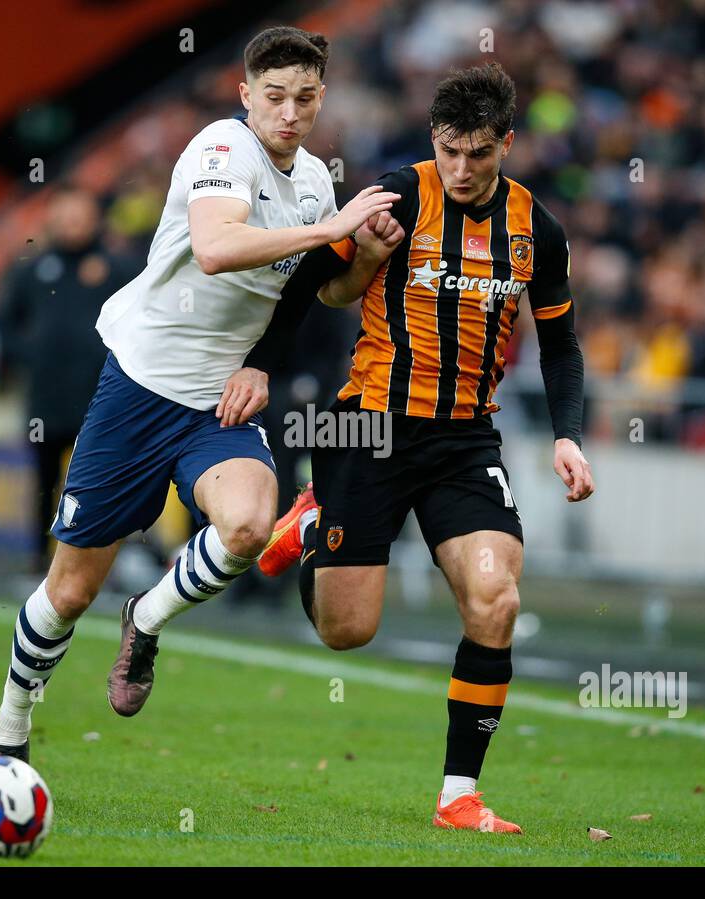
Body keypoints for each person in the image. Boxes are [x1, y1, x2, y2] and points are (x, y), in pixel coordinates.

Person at [0, 26, 401, 761]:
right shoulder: (220, 148)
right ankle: (11, 727)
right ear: (246, 95)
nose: (289, 112)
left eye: (305, 98)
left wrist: (362, 254)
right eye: (274, 96)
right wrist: (330, 229)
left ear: (320, 100)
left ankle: (145, 619)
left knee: (246, 527)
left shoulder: (312, 182)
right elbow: (215, 248)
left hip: (219, 402)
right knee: (69, 593)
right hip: (139, 390)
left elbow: (322, 292)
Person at [253, 63, 595, 833]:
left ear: (507, 142)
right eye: (449, 151)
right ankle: (310, 524)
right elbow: (318, 287)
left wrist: (568, 435)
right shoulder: (396, 195)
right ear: (431, 140)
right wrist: (261, 363)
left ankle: (458, 796)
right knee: (349, 631)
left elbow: (563, 343)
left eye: (478, 152)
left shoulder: (537, 228)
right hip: (369, 426)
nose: (462, 169)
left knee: (496, 598)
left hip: (465, 441)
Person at [0, 186, 140, 568]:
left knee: (101, 479)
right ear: (53, 217)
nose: (73, 221)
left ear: (95, 218)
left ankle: (96, 557)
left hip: (102, 396)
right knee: (43, 476)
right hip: (47, 396)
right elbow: (5, 323)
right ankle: (38, 555)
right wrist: (30, 356)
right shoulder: (32, 270)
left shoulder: (121, 268)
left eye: (80, 213)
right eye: (66, 213)